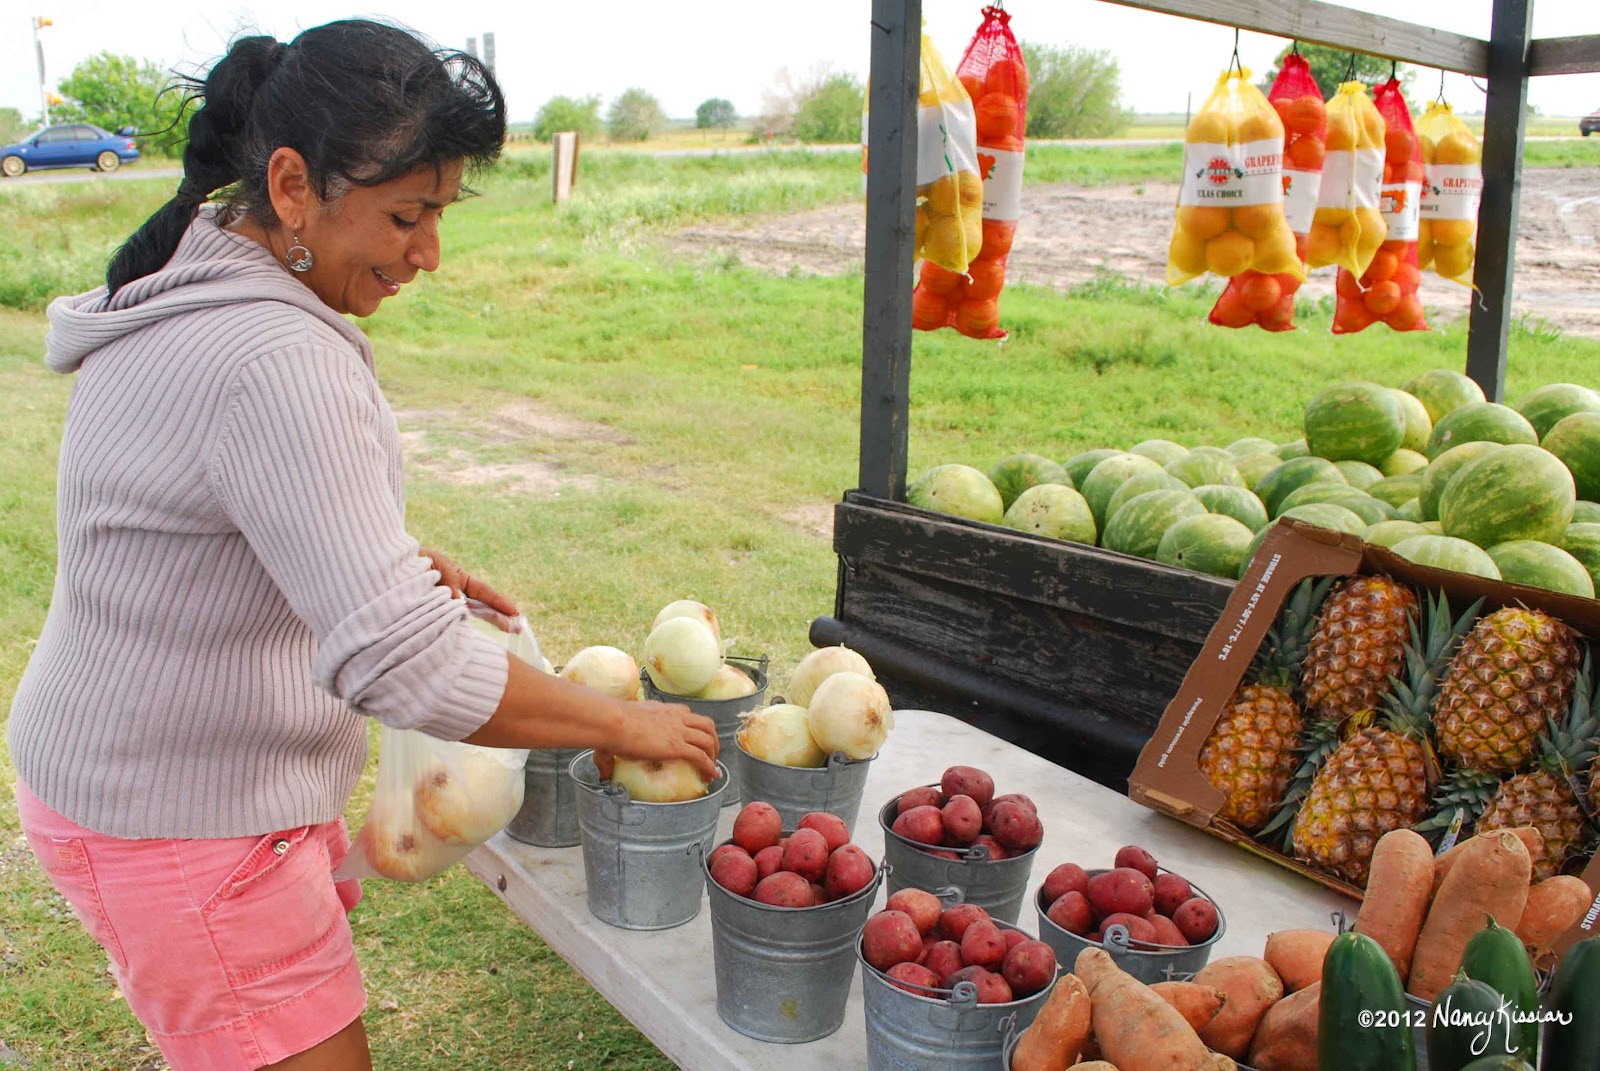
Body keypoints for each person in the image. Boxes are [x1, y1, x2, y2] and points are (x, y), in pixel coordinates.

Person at [7, 20, 718, 1071]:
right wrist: (622, 721)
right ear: (292, 186)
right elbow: (407, 664)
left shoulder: (186, 282)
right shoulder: (274, 353)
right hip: (183, 825)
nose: (427, 253)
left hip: (126, 788)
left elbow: (200, 512)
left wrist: (381, 558)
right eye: (404, 215)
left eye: (438, 214)